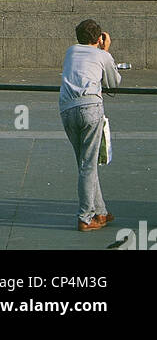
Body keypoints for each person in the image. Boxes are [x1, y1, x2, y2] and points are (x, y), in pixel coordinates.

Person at [59, 18, 120, 231]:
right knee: (88, 165)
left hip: (67, 109)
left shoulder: (70, 52)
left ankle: (100, 212)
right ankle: (85, 217)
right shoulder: (102, 54)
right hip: (90, 108)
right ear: (99, 37)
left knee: (86, 164)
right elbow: (113, 84)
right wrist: (106, 50)